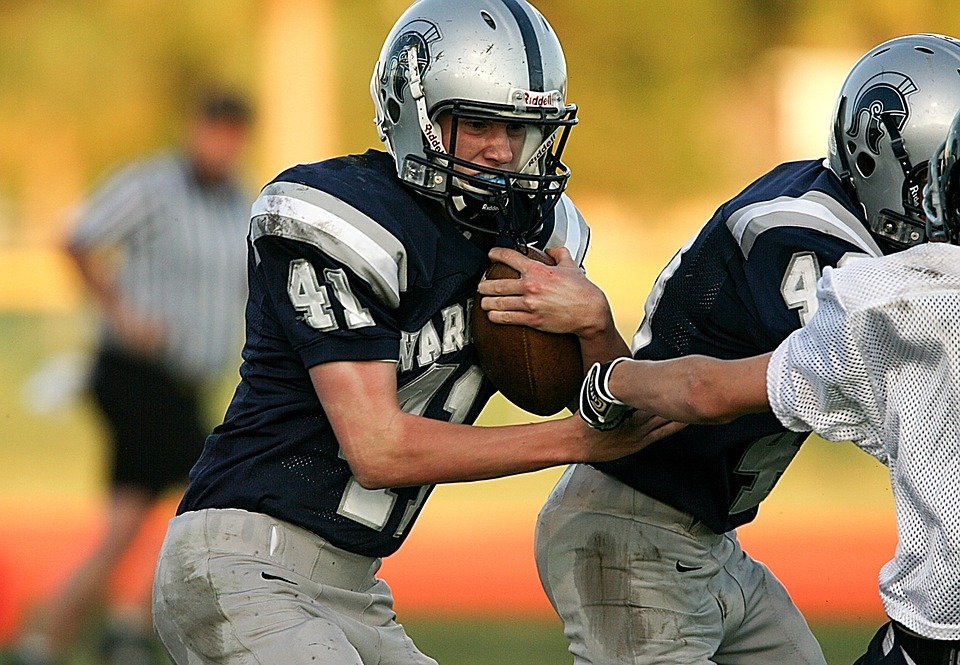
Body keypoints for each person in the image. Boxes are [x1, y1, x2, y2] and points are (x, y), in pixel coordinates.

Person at [150, 2, 670, 665]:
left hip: (355, 584)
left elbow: (604, 406)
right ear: (414, 115)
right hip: (244, 560)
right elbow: (379, 448)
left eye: (519, 127)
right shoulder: (341, 216)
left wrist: (596, 323)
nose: (502, 149)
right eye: (479, 122)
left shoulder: (537, 239)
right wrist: (579, 441)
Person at [479, 33, 960, 665]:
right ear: (889, 159)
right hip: (630, 530)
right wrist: (605, 355)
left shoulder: (847, 215)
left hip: (702, 540)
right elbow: (887, 392)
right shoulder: (807, 233)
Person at [11, 89, 254, 665]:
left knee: (137, 514)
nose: (221, 142)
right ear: (194, 127)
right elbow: (79, 239)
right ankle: (106, 626)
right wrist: (122, 314)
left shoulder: (236, 202)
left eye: (232, 132)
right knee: (203, 496)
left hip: (186, 380)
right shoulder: (152, 185)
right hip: (136, 372)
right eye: (213, 128)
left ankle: (65, 635)